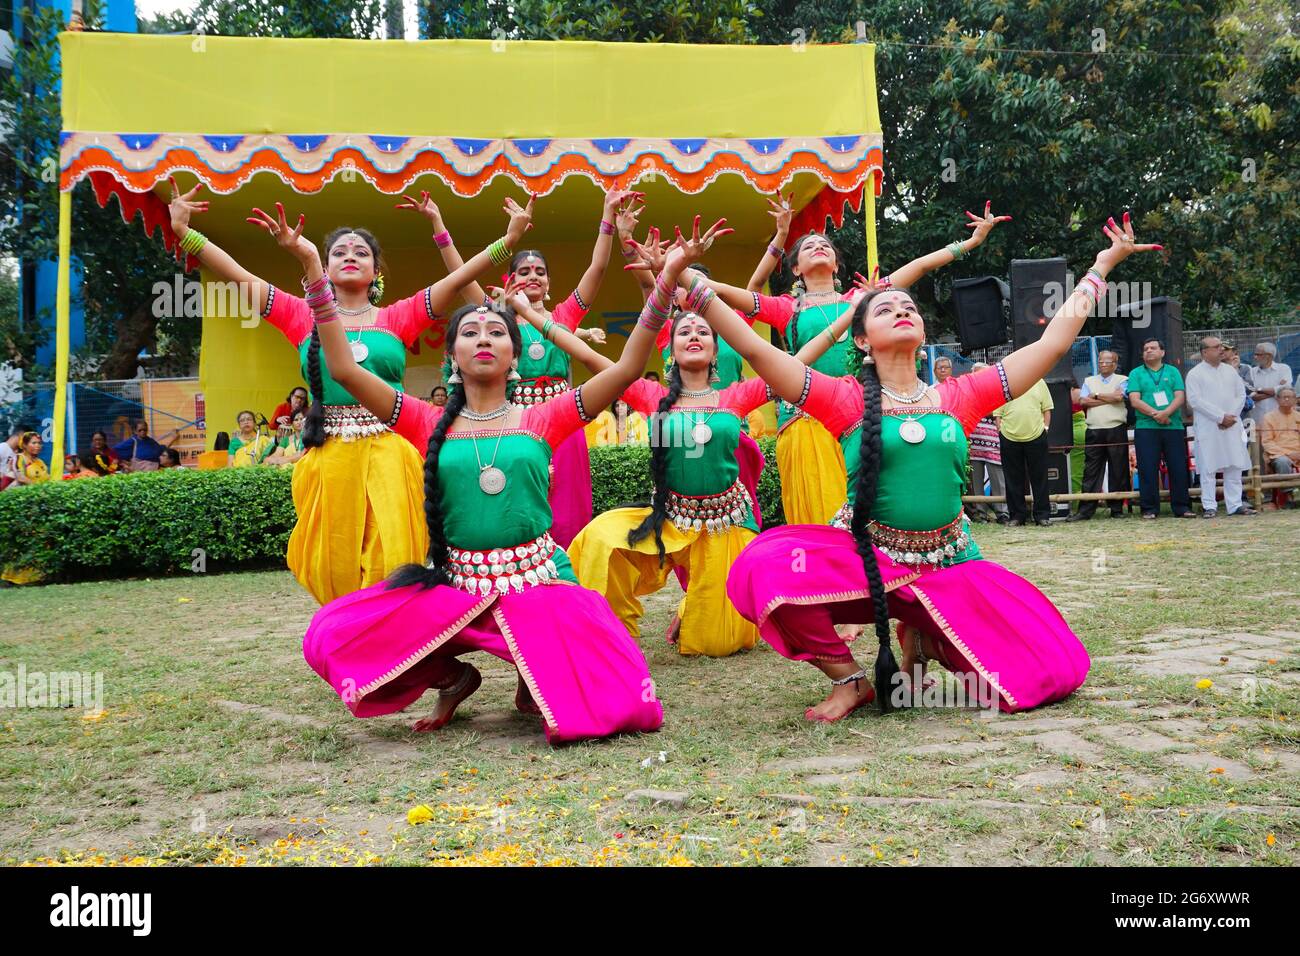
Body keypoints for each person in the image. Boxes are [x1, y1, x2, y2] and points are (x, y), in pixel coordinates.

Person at [721, 211, 1153, 721]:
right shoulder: (844, 399)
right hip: (871, 560)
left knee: (1050, 671)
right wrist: (687, 281)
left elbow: (1052, 344)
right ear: (861, 339)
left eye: (909, 307)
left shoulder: (961, 394)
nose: (902, 309)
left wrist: (1102, 265)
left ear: (923, 330)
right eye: (885, 309)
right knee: (760, 568)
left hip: (951, 562)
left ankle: (922, 640)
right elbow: (752, 345)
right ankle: (850, 680)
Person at [290, 205, 669, 743]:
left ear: (516, 356)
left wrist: (666, 282)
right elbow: (347, 369)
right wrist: (312, 271)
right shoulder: (421, 420)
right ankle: (454, 677)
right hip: (456, 584)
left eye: (497, 331)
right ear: (453, 359)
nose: (484, 337)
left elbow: (628, 369)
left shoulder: (545, 417)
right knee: (329, 635)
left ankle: (531, 674)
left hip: (536, 580)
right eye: (471, 331)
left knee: (622, 701)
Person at [168, 178, 534, 605]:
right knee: (331, 564)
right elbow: (238, 275)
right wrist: (185, 233)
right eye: (338, 252)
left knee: (396, 556)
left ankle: (406, 655)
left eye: (361, 253)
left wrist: (506, 242)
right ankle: (360, 651)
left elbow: (460, 278)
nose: (349, 257)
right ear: (322, 267)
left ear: (376, 272)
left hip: (391, 451)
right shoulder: (299, 315)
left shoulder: (398, 318)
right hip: (330, 456)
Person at [699, 204, 1011, 528]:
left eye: (825, 246)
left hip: (860, 416)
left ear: (835, 263)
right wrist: (678, 270)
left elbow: (916, 268)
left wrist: (971, 242)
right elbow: (722, 292)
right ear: (795, 269)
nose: (818, 247)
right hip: (805, 422)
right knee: (819, 521)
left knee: (869, 509)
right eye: (808, 247)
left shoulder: (864, 299)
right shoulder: (785, 308)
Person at [412, 186, 640, 549]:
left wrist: (607, 218)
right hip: (514, 422)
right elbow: (460, 276)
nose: (533, 276)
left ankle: (566, 579)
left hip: (562, 421)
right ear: (509, 280)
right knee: (516, 503)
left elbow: (597, 269)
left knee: (570, 512)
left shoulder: (564, 317)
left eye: (540, 271)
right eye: (523, 270)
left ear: (548, 282)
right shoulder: (499, 321)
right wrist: (439, 226)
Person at [1186, 336, 1255, 518]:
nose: (1221, 350)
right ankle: (1210, 505)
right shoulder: (1195, 374)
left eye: (1221, 347)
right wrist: (1220, 417)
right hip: (1209, 426)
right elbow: (1195, 401)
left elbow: (1241, 394)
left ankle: (1235, 505)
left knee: (1234, 465)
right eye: (1216, 347)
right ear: (1204, 352)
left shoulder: (1230, 371)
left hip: (1231, 424)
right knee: (1208, 466)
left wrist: (1230, 416)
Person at [1126, 337, 1193, 519]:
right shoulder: (1136, 373)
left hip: (1173, 426)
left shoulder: (1172, 372)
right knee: (1147, 468)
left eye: (1153, 348)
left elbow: (1180, 397)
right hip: (1146, 426)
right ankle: (1149, 508)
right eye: (1146, 348)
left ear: (1162, 352)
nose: (1148, 351)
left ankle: (1182, 507)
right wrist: (1157, 414)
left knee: (1178, 467)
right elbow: (1134, 400)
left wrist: (1166, 413)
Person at [1071, 349, 1130, 520]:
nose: (1103, 364)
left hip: (1116, 428)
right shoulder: (1089, 380)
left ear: (1115, 364)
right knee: (1091, 470)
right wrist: (1108, 398)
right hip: (1094, 429)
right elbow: (1082, 401)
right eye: (1101, 361)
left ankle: (1116, 508)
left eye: (1107, 361)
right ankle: (1086, 509)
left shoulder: (1123, 379)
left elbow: (1119, 398)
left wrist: (1096, 395)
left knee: (1118, 468)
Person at [993, 377, 1054, 526]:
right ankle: (1017, 516)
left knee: (1040, 477)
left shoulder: (1039, 382)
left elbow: (1047, 409)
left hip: (1037, 435)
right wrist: (1000, 430)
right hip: (1009, 436)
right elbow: (997, 413)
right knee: (1013, 478)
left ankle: (1042, 515)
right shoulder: (1003, 384)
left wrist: (1045, 429)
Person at [966, 362, 1007, 523]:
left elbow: (997, 411)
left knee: (998, 479)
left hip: (993, 441)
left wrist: (981, 408)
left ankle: (1002, 512)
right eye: (978, 374)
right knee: (976, 481)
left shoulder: (997, 390)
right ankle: (980, 513)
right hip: (974, 441)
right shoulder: (969, 390)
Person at [1261, 386, 1299, 509]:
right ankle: (1288, 497)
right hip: (1279, 455)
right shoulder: (1269, 417)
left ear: (1295, 400)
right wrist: (1288, 454)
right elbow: (1267, 442)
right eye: (1284, 397)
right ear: (1277, 399)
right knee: (1283, 462)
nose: (1287, 399)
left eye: (1290, 397)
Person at [1245, 342, 1293, 427]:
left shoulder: (1284, 369)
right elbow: (1252, 396)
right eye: (1254, 354)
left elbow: (1285, 391)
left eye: (1258, 354)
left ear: (1269, 356)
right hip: (1258, 422)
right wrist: (1276, 391)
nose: (1255, 357)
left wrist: (1259, 389)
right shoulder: (1252, 372)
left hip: (1280, 421)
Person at [111, 420, 176, 472]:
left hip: (154, 474)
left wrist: (173, 438)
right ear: (135, 431)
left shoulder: (151, 441)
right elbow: (114, 451)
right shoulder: (132, 441)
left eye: (145, 430)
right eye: (140, 430)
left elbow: (162, 450)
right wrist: (125, 465)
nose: (143, 432)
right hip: (140, 476)